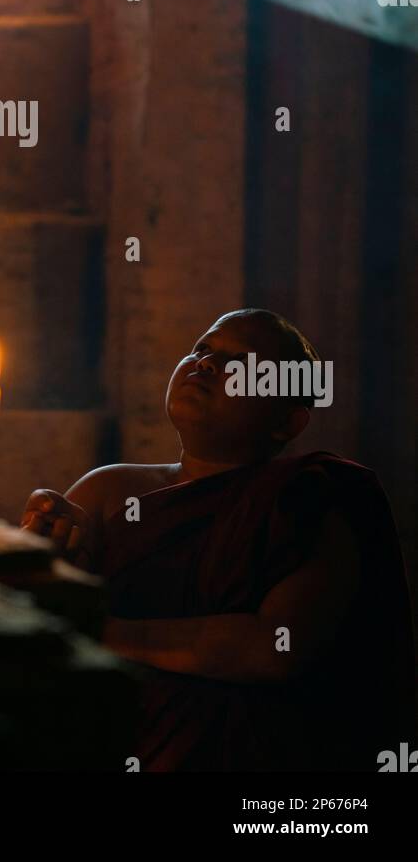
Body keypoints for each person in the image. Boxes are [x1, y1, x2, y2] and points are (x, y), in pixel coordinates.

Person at [21, 308, 417, 771]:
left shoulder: (313, 496)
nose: (206, 363)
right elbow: (37, 621)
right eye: (202, 349)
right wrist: (47, 553)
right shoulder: (108, 492)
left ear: (287, 422)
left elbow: (274, 648)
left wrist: (99, 631)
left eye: (240, 363)